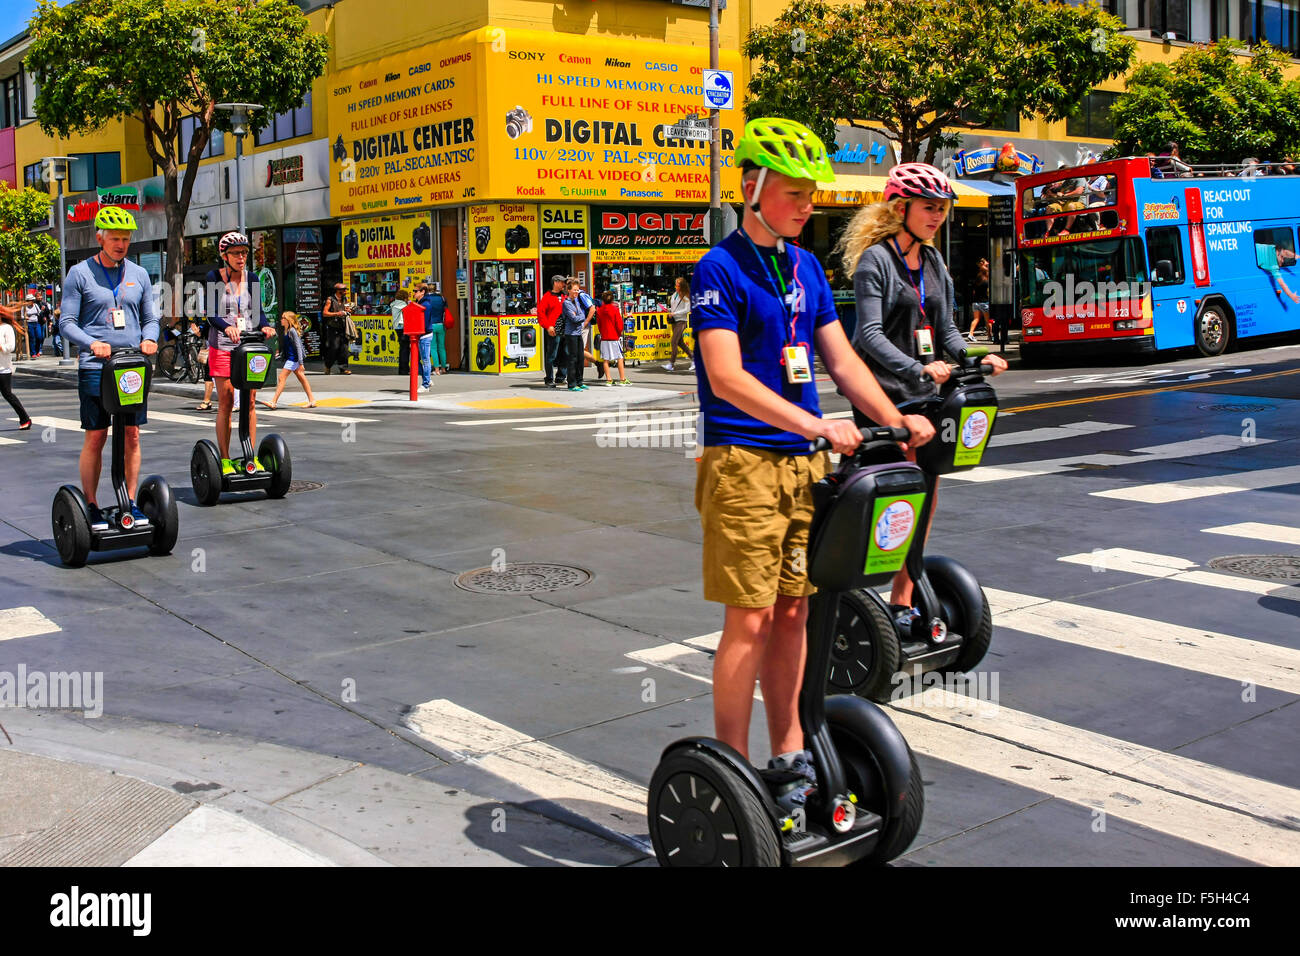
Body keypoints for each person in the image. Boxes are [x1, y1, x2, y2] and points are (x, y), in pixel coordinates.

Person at [691, 117, 935, 794]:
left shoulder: (805, 267)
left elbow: (841, 356)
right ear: (753, 187)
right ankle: (732, 768)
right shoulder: (719, 269)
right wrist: (817, 423)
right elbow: (725, 377)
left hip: (806, 468)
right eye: (794, 190)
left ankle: (789, 753)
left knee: (796, 608)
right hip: (744, 463)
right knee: (751, 616)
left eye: (811, 191)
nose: (808, 202)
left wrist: (895, 416)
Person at [837, 160, 1008, 633]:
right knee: (901, 491)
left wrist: (977, 357)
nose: (937, 216)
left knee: (927, 491)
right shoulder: (877, 261)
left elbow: (949, 330)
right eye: (928, 207)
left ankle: (902, 601)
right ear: (900, 207)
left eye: (942, 208)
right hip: (885, 393)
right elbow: (868, 335)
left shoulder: (933, 261)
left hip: (926, 393)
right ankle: (854, 584)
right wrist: (918, 367)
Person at [57, 206, 161, 526]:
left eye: (126, 239)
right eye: (115, 238)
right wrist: (91, 343)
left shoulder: (139, 274)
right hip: (95, 367)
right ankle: (89, 504)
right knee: (97, 435)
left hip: (130, 366)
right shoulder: (80, 274)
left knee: (132, 435)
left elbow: (150, 318)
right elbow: (67, 323)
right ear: (99, 237)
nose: (121, 244)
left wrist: (150, 339)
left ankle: (130, 501)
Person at [205, 232, 275, 476]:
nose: (242, 257)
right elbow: (212, 315)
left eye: (244, 253)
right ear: (225, 255)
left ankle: (250, 456)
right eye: (236, 253)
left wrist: (265, 325)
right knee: (226, 400)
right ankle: (224, 459)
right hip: (222, 347)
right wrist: (227, 327)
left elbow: (258, 312)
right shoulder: (214, 277)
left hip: (247, 348)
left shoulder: (252, 278)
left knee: (251, 402)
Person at [262, 311, 317, 409]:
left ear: (288, 320)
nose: (281, 320)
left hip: (293, 360)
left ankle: (273, 402)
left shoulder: (292, 331)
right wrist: (281, 354)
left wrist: (301, 363)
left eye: (283, 318)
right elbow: (288, 347)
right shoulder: (286, 331)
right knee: (302, 379)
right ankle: (312, 401)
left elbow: (298, 347)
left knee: (281, 378)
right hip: (291, 359)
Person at [0, 303, 32, 429]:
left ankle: (25, 418)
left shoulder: (6, 328)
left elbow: (11, 347)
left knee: (8, 394)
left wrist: (1, 347)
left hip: (3, 368)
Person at [538, 274, 567, 387]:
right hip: (553, 329)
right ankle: (549, 378)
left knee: (565, 354)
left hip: (566, 329)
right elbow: (541, 313)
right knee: (552, 354)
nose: (564, 284)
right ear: (555, 282)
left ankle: (561, 377)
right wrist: (548, 326)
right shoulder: (547, 296)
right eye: (562, 282)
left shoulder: (565, 295)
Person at [561, 278, 590, 391]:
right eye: (574, 290)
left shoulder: (576, 301)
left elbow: (581, 314)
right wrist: (580, 317)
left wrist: (579, 316)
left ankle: (580, 381)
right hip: (571, 334)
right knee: (572, 358)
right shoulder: (567, 303)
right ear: (569, 290)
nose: (576, 292)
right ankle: (572, 384)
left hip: (578, 333)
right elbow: (574, 318)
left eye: (578, 290)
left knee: (580, 357)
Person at [595, 290, 630, 385]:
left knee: (605, 360)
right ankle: (622, 379)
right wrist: (619, 333)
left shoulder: (599, 310)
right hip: (614, 337)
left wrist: (602, 332)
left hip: (604, 337)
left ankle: (609, 379)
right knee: (619, 358)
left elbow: (599, 324)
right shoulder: (614, 309)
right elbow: (619, 325)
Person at [421, 280, 449, 385]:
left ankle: (436, 369)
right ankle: (443, 368)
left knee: (433, 348)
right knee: (442, 347)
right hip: (441, 324)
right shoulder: (442, 298)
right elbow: (445, 309)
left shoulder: (428, 300)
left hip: (432, 325)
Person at [322, 282, 352, 374]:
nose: (346, 291)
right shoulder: (330, 300)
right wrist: (337, 313)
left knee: (344, 348)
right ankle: (328, 366)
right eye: (344, 290)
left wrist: (349, 310)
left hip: (343, 326)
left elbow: (347, 309)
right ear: (339, 291)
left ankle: (343, 368)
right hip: (333, 327)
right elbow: (325, 313)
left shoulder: (345, 299)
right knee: (334, 347)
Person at [665, 277, 693, 371]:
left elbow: (687, 309)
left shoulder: (685, 296)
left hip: (681, 321)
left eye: (677, 285)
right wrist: (669, 311)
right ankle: (693, 359)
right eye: (675, 284)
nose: (675, 286)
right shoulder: (674, 295)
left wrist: (675, 313)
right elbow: (673, 307)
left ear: (681, 286)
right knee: (680, 342)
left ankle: (671, 363)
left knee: (674, 341)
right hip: (674, 320)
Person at [966, 258, 991, 341]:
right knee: (988, 320)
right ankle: (990, 336)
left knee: (976, 319)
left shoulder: (978, 277)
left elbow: (973, 291)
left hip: (976, 302)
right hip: (985, 302)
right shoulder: (987, 278)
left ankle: (971, 333)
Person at [391, 287, 409, 377]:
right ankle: (404, 369)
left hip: (397, 327)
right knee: (405, 349)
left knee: (402, 348)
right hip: (402, 327)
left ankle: (402, 369)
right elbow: (409, 310)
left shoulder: (394, 303)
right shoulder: (402, 304)